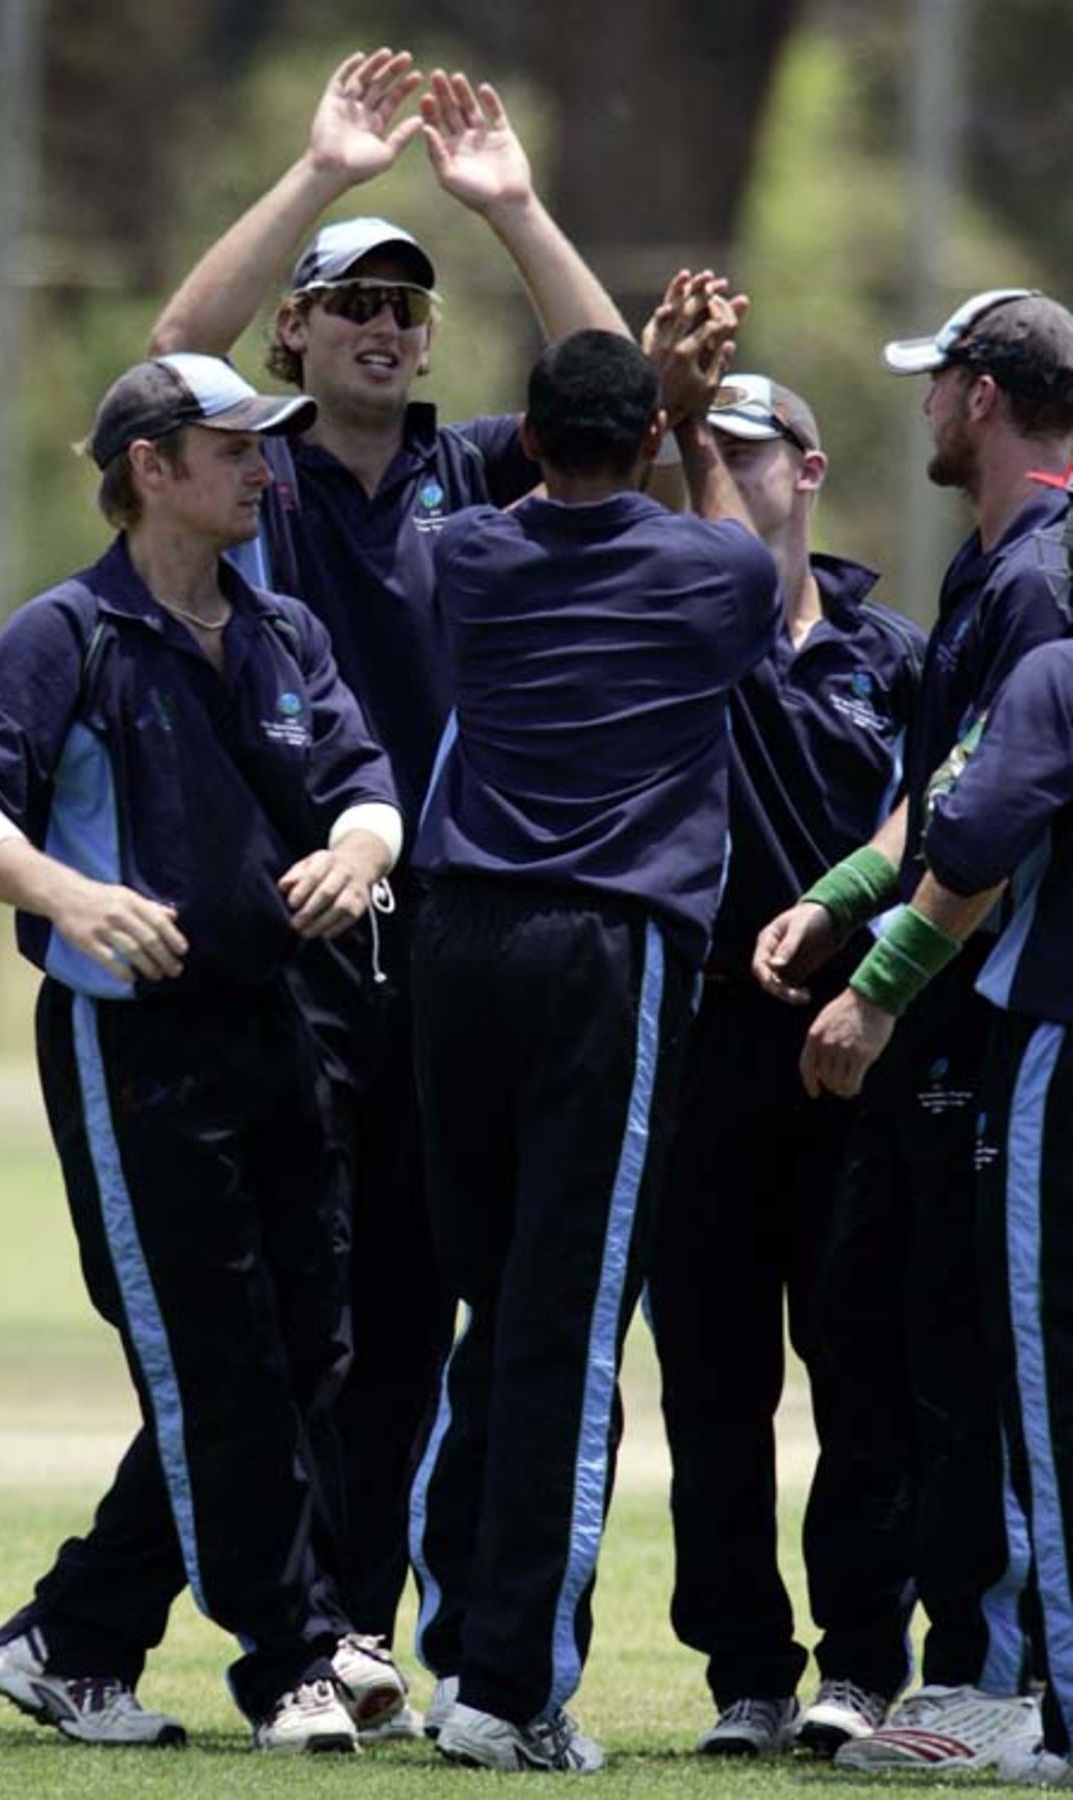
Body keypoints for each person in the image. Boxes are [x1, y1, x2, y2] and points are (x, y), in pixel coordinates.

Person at [148, 47, 631, 1662]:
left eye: (408, 309)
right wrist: (323, 180)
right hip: (286, 933)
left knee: (414, 1301)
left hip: (438, 941)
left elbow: (612, 386)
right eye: (353, 299)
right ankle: (266, 1612)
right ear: (298, 328)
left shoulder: (476, 466)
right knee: (304, 1301)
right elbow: (168, 357)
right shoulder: (253, 469)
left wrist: (509, 204)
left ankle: (354, 1622)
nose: (385, 325)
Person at [0, 351, 410, 1753]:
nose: (268, 469)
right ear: (153, 468)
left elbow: (367, 786)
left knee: (303, 1346)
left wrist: (358, 853)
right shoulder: (66, 632)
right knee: (215, 1359)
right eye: (240, 447)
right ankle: (296, 1659)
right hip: (130, 1048)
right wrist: (68, 896)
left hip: (281, 1029)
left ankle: (72, 1638)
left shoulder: (284, 630)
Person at [407, 317, 780, 1773]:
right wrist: (694, 433)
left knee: (497, 1310)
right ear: (640, 443)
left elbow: (493, 513)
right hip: (604, 956)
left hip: (455, 950)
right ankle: (510, 1688)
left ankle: (455, 1651)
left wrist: (610, 422)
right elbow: (749, 551)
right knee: (566, 1331)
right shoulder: (712, 569)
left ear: (526, 430)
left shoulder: (465, 559)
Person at [753, 288, 1073, 1773]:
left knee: (997, 1363)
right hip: (973, 1022)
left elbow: (997, 831)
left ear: (988, 398)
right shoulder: (995, 567)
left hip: (1010, 1025)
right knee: (942, 1344)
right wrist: (837, 898)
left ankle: (1004, 1685)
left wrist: (879, 990)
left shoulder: (1043, 585)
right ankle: (979, 1671)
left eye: (939, 382)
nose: (926, 407)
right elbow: (944, 797)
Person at [642, 373, 925, 1758]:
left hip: (857, 1058)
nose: (720, 476)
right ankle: (744, 1673)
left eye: (743, 455)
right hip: (703, 1058)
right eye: (699, 455)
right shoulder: (684, 643)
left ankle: (862, 1664)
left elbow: (950, 819)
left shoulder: (904, 655)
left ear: (807, 472)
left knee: (864, 1368)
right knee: (711, 1382)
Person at [794, 612, 1073, 1789]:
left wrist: (879, 987)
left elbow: (971, 835)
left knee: (1046, 1391)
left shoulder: (1055, 672)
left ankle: (1042, 1708)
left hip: (1058, 1036)